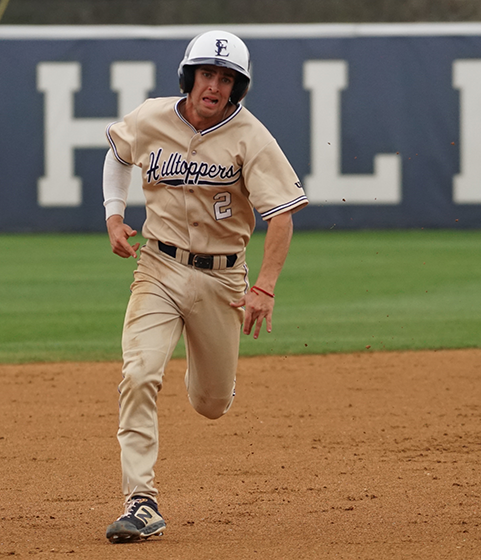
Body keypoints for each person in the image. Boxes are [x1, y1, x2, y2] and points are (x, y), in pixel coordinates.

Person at [101, 30, 308, 543]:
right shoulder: (152, 117)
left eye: (226, 79)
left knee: (210, 404)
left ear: (238, 88)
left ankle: (215, 371)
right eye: (207, 74)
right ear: (189, 76)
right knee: (139, 374)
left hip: (223, 278)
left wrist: (265, 287)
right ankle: (141, 502)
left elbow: (281, 215)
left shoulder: (251, 137)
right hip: (159, 266)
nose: (214, 85)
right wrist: (113, 214)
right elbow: (120, 153)